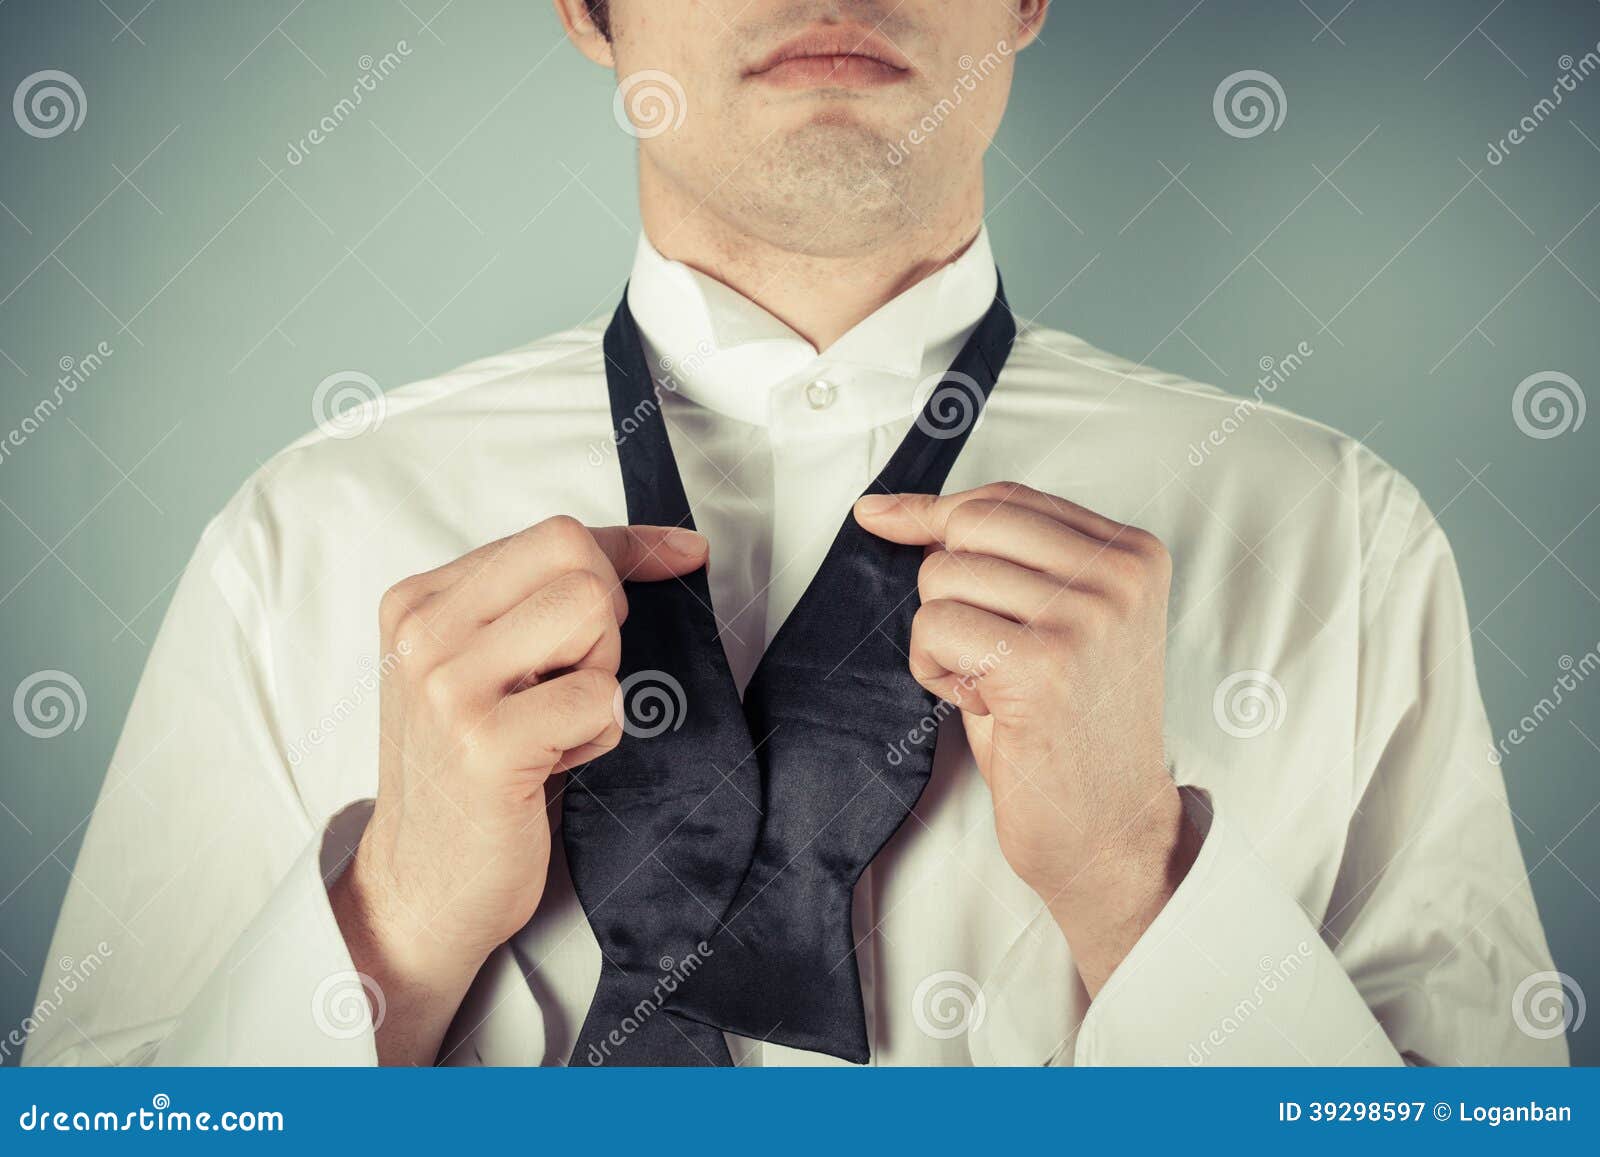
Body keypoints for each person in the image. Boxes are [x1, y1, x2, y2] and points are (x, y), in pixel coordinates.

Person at [25, 0, 1565, 1067]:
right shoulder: (304, 536)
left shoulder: (1333, 537)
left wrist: (1135, 878)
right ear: (589, 8)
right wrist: (393, 926)